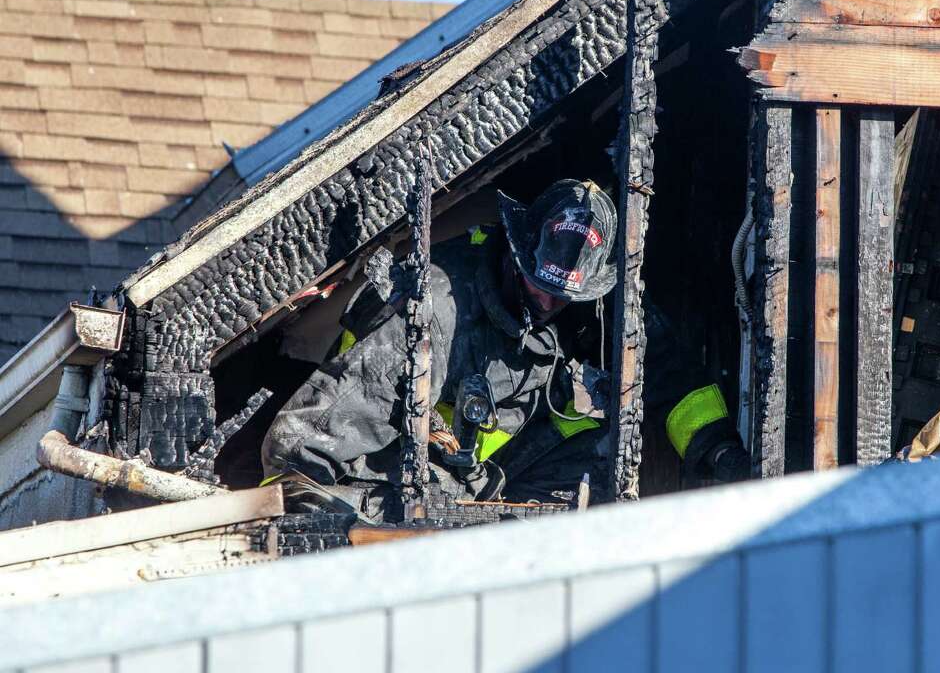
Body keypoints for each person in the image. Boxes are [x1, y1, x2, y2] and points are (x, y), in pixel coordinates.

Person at [261, 179, 748, 518]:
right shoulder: (437, 307)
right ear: (517, 251)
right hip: (392, 484)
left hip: (494, 480)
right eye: (537, 286)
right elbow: (308, 436)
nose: (546, 302)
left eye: (562, 296)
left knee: (597, 442)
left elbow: (668, 374)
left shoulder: (586, 307)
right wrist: (293, 518)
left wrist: (721, 452)